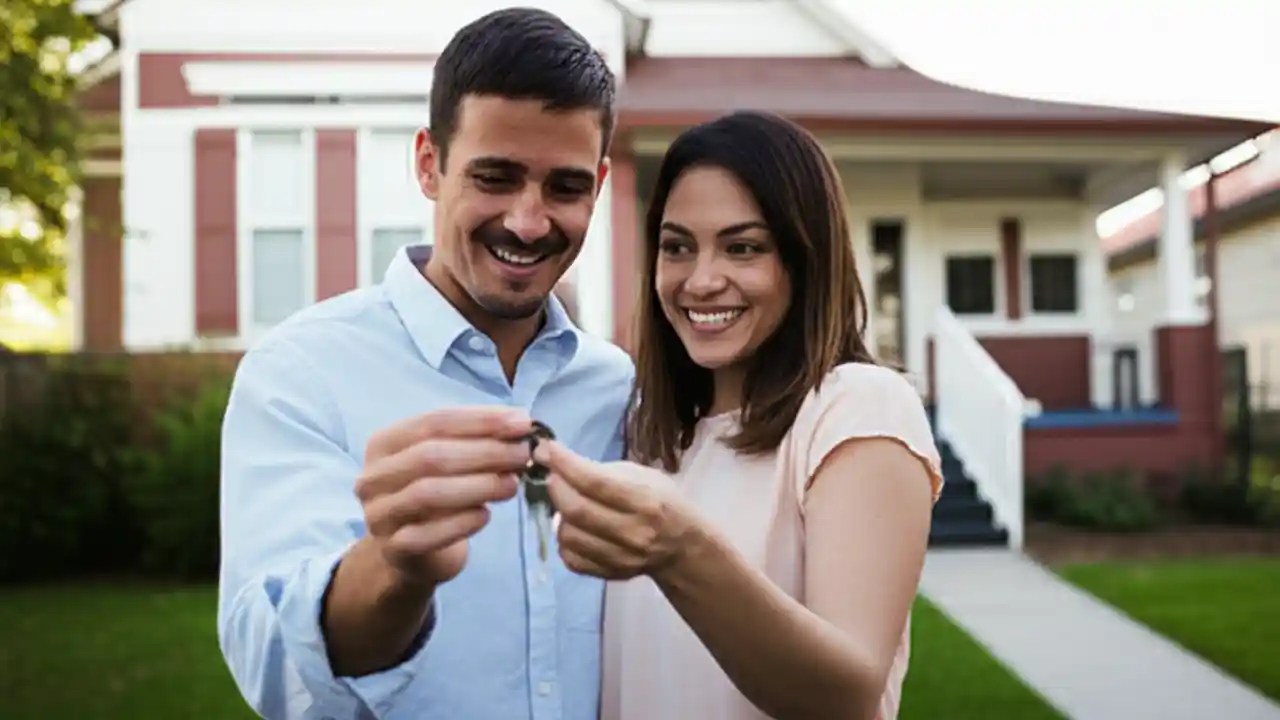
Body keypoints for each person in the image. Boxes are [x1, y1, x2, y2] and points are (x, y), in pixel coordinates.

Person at [216, 8, 631, 719]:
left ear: (596, 184)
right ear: (428, 166)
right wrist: (396, 570)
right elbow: (276, 668)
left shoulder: (618, 389)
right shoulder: (301, 373)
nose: (528, 222)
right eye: (495, 177)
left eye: (563, 188)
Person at [533, 111, 945, 720]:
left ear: (805, 259)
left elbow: (848, 696)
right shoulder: (647, 431)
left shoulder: (856, 408)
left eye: (743, 247)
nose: (701, 281)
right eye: (677, 248)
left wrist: (682, 552)